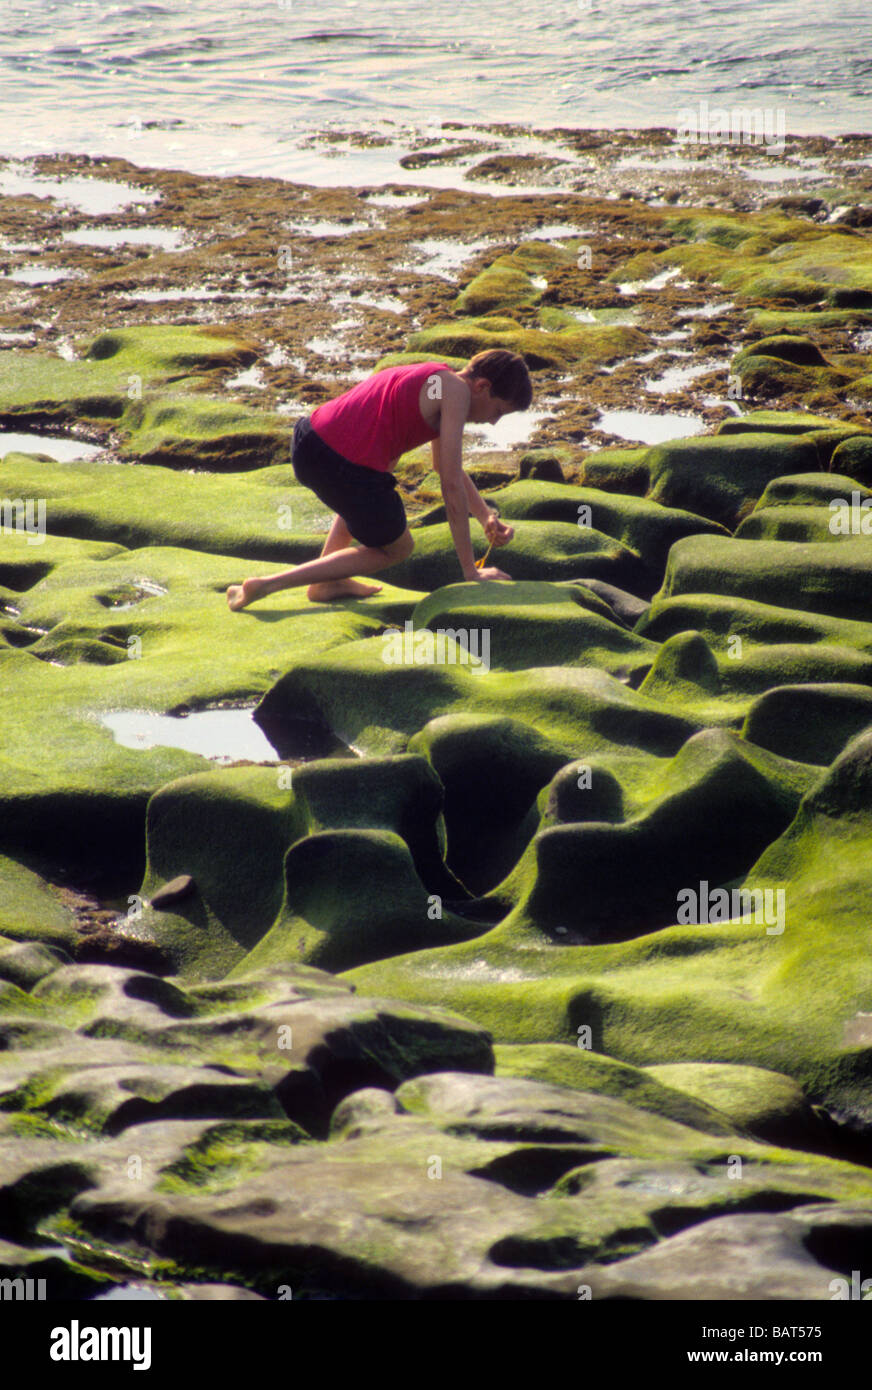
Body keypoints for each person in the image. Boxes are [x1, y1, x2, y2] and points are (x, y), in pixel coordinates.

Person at [226, 348, 532, 610]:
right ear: (482, 386)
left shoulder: (440, 380)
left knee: (368, 492)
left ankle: (326, 584)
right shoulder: (455, 392)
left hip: (309, 440)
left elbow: (443, 466)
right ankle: (266, 585)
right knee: (397, 548)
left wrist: (485, 516)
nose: (493, 421)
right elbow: (450, 484)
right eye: (498, 410)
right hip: (340, 462)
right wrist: (471, 571)